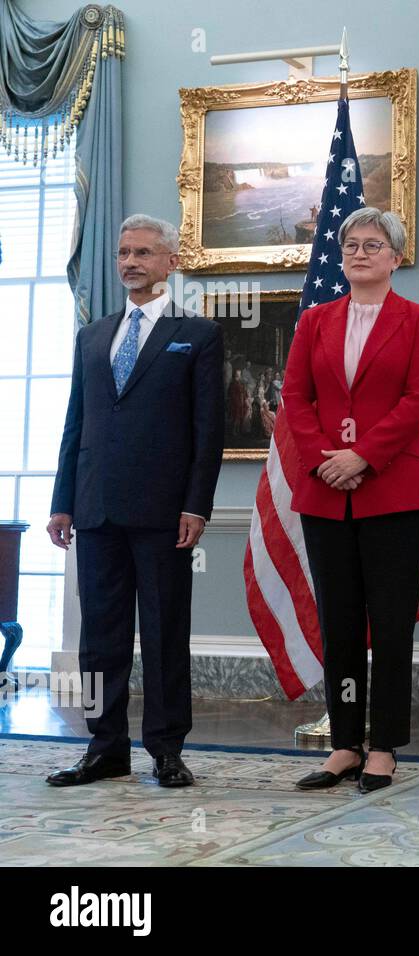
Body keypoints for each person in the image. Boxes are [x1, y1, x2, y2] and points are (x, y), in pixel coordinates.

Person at [46, 214, 224, 788]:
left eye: (144, 253)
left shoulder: (197, 334)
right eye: (124, 252)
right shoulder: (93, 335)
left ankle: (167, 748)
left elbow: (208, 431)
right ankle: (105, 746)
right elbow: (77, 423)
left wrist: (197, 505)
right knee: (100, 634)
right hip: (96, 510)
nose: (130, 262)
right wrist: (62, 500)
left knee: (166, 630)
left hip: (165, 513)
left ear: (171, 261)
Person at [281, 208, 419, 793]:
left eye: (372, 245)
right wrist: (328, 457)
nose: (357, 253)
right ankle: (346, 744)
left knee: (391, 626)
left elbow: (418, 398)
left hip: (396, 494)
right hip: (326, 494)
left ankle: (384, 748)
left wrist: (363, 457)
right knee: (341, 625)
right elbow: (295, 398)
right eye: (350, 244)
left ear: (395, 257)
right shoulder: (315, 322)